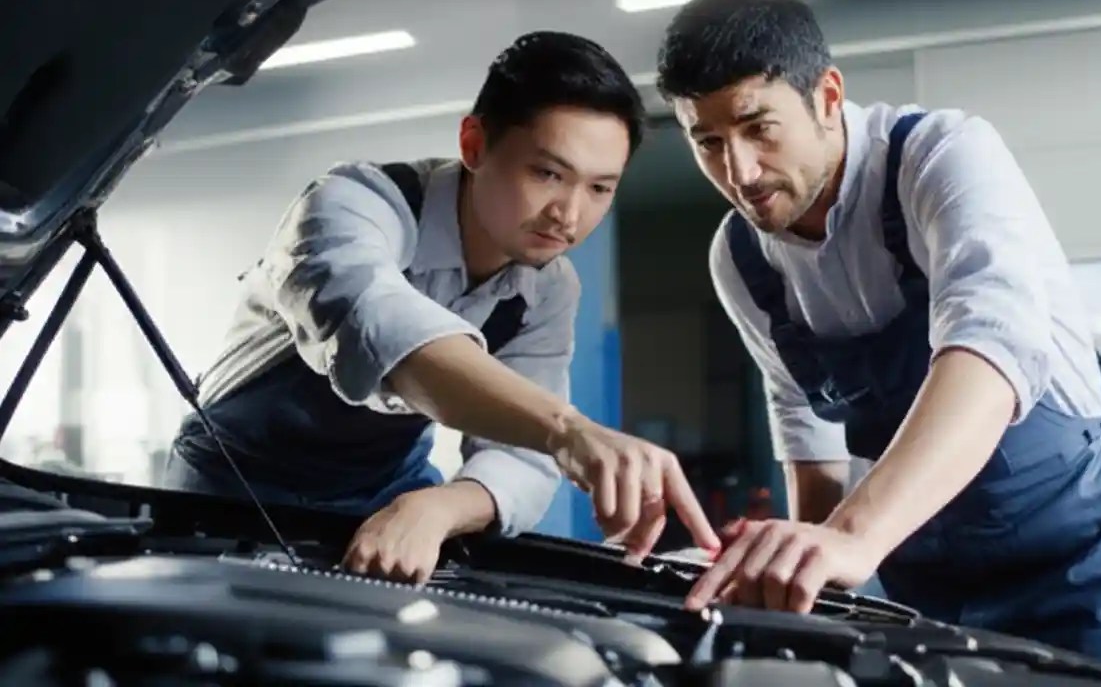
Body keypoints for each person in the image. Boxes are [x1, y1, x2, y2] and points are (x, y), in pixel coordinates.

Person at [655, 0, 1101, 686]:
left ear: (828, 98)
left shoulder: (941, 156)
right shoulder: (742, 255)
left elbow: (991, 345)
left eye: (759, 129)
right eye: (709, 143)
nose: (739, 172)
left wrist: (851, 536)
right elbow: (801, 421)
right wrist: (806, 579)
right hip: (927, 590)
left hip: (1080, 567)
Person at [164, 31, 719, 582]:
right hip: (232, 487)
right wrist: (569, 430)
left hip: (386, 494)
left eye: (600, 188)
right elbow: (383, 334)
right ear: (474, 145)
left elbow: (521, 458)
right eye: (548, 174)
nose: (569, 216)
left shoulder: (549, 289)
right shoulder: (351, 206)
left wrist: (438, 509)